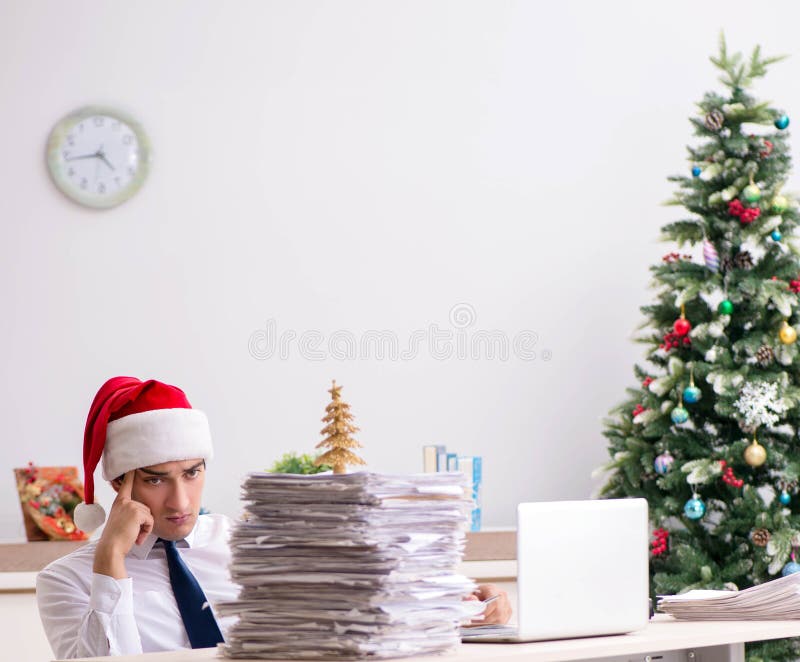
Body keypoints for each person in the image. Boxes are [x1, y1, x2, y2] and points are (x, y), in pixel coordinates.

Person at [37, 376, 511, 659]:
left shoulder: (251, 542)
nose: (181, 501)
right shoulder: (68, 581)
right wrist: (111, 561)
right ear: (120, 485)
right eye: (157, 479)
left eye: (193, 473)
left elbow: (358, 588)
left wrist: (463, 600)